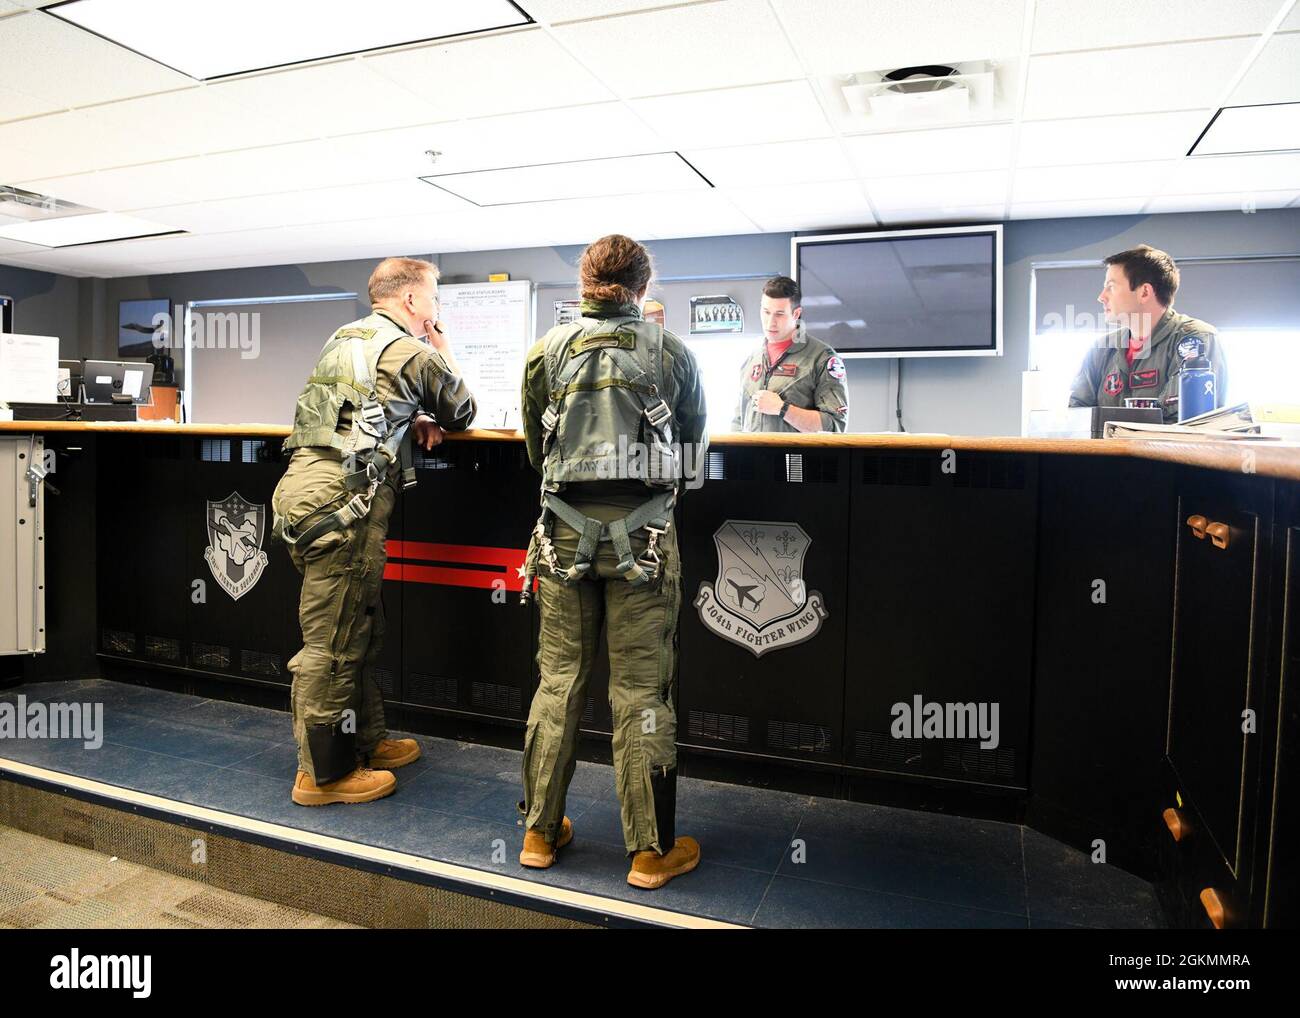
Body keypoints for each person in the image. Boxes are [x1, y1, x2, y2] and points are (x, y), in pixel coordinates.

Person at [517, 234, 708, 889]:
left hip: (561, 538)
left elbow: (535, 453)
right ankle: (649, 852)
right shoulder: (674, 353)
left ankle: (539, 834)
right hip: (646, 543)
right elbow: (692, 458)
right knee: (639, 694)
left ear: (584, 283)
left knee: (559, 682)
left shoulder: (546, 352)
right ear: (642, 289)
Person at [271, 257, 476, 806]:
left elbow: (359, 410)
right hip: (343, 504)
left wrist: (410, 417)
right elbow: (462, 410)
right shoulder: (410, 349)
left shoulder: (346, 337)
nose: (435, 308)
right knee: (332, 643)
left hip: (305, 491)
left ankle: (363, 741)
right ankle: (323, 775)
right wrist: (439, 342)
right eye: (433, 297)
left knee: (358, 625)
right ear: (411, 301)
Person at [1068, 244, 1226, 422]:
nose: (1101, 296)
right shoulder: (1101, 349)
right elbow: (1076, 419)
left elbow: (1187, 422)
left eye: (1111, 287)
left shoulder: (1196, 340)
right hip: (1107, 450)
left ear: (1144, 292)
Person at [732, 275, 849, 432]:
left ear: (796, 314)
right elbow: (738, 422)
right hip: (752, 456)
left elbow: (834, 426)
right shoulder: (751, 360)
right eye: (766, 312)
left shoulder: (822, 358)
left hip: (796, 456)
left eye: (779, 314)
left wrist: (782, 409)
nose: (770, 322)